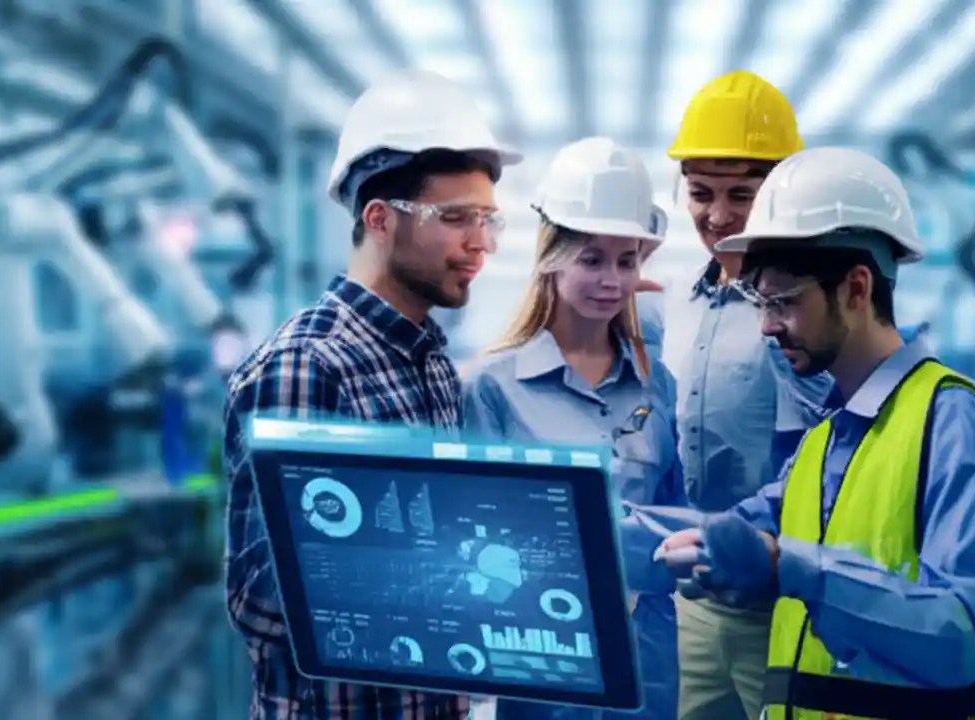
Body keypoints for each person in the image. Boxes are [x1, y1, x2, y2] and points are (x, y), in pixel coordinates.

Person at [649, 147, 975, 720]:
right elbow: (733, 529)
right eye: (761, 302)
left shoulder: (951, 419)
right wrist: (602, 528)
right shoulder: (827, 438)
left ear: (856, 289)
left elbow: (964, 634)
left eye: (784, 302)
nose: (766, 325)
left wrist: (792, 570)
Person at [222, 70, 521, 719]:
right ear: (380, 219)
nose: (481, 244)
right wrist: (425, 563)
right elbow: (259, 601)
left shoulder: (432, 365)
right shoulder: (308, 366)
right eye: (457, 219)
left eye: (488, 220)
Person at [463, 137, 684, 720]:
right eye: (591, 258)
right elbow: (472, 541)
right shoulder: (493, 386)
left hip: (649, 670)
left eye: (627, 259)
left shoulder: (655, 384)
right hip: (546, 669)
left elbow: (673, 517)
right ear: (551, 256)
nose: (612, 279)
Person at [634, 69, 830, 720]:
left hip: (777, 598)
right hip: (688, 599)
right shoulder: (674, 311)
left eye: (742, 194)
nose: (717, 216)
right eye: (700, 192)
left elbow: (825, 456)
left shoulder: (811, 313)